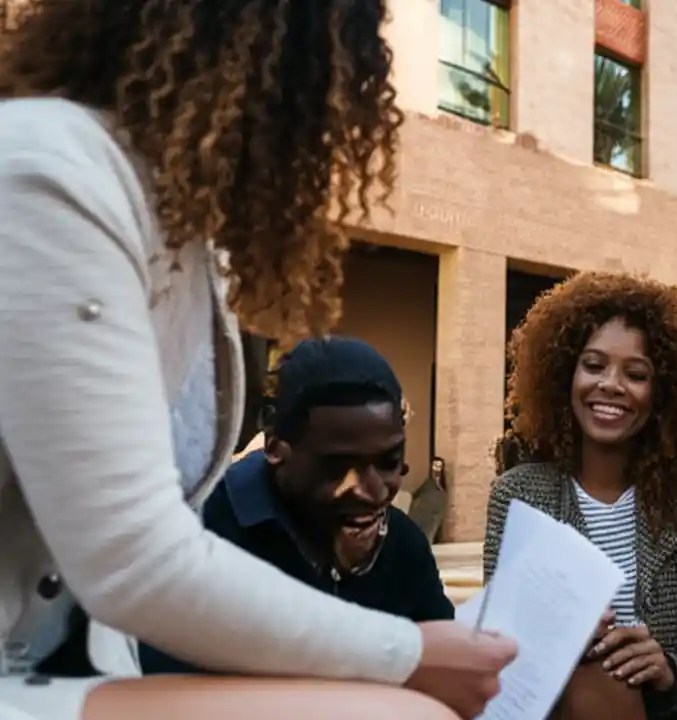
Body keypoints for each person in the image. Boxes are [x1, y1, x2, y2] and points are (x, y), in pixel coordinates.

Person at [0, 2, 514, 719]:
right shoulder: (47, 169)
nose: (331, 138)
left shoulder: (188, 238)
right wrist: (405, 653)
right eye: (330, 97)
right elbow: (133, 559)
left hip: (77, 664)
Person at [484, 272, 677, 719]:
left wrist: (670, 668)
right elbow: (500, 640)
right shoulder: (518, 495)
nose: (611, 385)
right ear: (565, 373)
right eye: (594, 366)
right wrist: (558, 642)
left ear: (663, 393)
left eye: (636, 374)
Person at [140, 337, 455, 674]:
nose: (373, 492)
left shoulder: (403, 545)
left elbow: (445, 668)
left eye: (389, 462)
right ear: (275, 448)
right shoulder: (198, 532)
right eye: (337, 467)